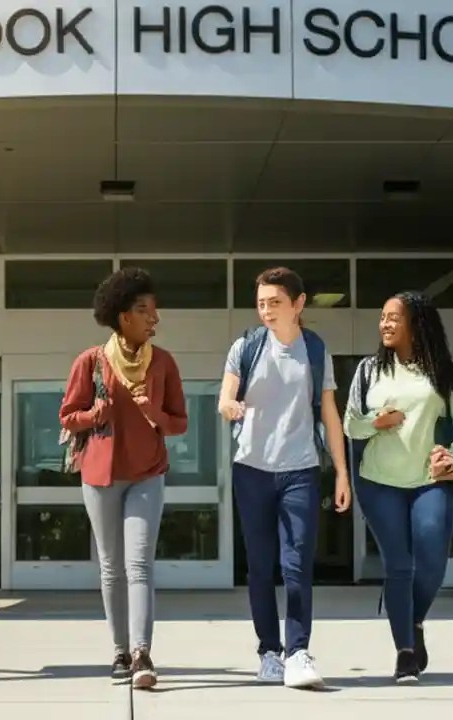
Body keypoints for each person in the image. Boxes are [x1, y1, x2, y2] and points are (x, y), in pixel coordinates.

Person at [217, 266, 349, 690]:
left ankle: (297, 652)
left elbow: (329, 414)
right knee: (260, 568)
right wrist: (230, 408)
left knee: (296, 565)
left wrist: (342, 472)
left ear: (298, 303)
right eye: (261, 304)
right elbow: (225, 396)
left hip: (300, 470)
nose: (267, 311)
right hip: (252, 470)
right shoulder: (247, 346)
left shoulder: (314, 348)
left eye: (275, 302)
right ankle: (268, 653)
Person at [60, 266, 188, 690]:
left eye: (155, 310)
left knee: (139, 564)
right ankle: (118, 651)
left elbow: (179, 423)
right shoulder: (91, 362)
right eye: (143, 310)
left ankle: (142, 652)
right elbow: (67, 418)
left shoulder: (164, 363)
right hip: (100, 475)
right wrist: (94, 415)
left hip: (147, 474)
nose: (154, 318)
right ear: (121, 316)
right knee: (112, 567)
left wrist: (153, 413)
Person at [343, 290, 453, 684]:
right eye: (382, 317)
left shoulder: (443, 371)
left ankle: (412, 618)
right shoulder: (369, 369)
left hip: (429, 480)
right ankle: (405, 653)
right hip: (379, 481)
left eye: (393, 317)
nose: (384, 324)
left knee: (432, 555)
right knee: (398, 565)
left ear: (416, 323)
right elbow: (351, 423)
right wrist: (376, 423)